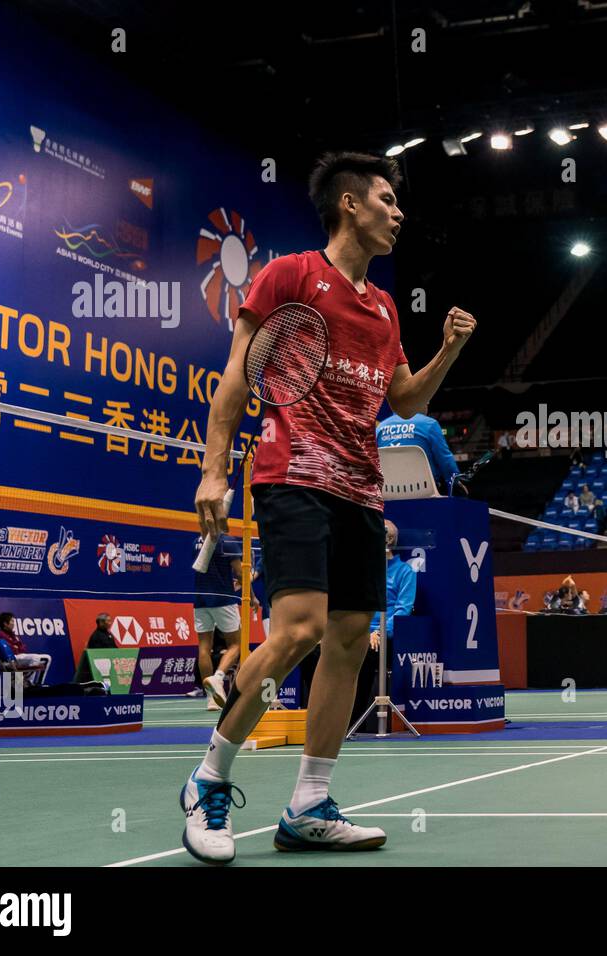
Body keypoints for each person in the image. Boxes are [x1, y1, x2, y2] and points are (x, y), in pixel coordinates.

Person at [184, 150, 475, 864]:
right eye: (386, 198)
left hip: (360, 488)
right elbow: (236, 373)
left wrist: (448, 351)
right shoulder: (291, 276)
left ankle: (309, 803)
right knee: (298, 631)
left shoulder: (380, 309)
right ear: (350, 204)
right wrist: (213, 470)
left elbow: (402, 399)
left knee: (346, 638)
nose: (398, 210)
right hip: (294, 476)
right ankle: (208, 779)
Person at [354, 520, 418, 722]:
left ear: (389, 539)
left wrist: (379, 632)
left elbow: (403, 610)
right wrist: (363, 633)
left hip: (386, 638)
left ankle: (353, 721)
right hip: (361, 633)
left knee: (366, 654)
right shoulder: (364, 571)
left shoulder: (404, 572)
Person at [193, 533, 244, 711]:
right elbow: (240, 573)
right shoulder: (228, 541)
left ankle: (211, 700)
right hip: (223, 599)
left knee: (204, 648)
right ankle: (218, 677)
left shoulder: (197, 541)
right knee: (237, 644)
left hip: (200, 600)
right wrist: (251, 597)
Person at [375, 411, 460, 494]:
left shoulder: (379, 429)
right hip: (427, 494)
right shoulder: (429, 424)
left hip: (388, 495)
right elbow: (447, 463)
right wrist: (457, 484)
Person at [0, 612, 51, 686]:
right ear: (5, 623)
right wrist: (16, 647)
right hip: (11, 660)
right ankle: (27, 682)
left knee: (47, 658)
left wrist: (16, 647)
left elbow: (22, 648)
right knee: (36, 658)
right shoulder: (0, 636)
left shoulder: (14, 635)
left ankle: (39, 683)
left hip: (19, 656)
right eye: (12, 621)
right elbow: (9, 651)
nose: (13, 623)